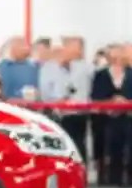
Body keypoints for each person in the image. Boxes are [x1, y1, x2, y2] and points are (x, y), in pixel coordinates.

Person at [91, 44, 132, 187]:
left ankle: (131, 178)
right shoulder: (100, 75)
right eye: (114, 56)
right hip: (106, 118)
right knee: (107, 144)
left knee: (131, 145)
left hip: (129, 117)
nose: (118, 59)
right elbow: (96, 96)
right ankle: (109, 177)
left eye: (121, 55)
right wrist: (111, 102)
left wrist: (126, 103)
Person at [40, 38, 93, 169]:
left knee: (80, 144)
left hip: (79, 113)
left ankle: (81, 171)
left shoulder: (83, 67)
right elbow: (45, 92)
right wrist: (57, 101)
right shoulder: (48, 68)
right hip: (58, 114)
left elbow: (88, 86)